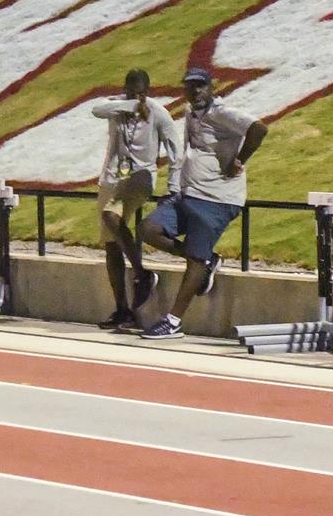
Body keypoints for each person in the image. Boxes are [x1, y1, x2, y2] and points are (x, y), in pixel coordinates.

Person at [139, 69, 267, 340]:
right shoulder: (191, 113)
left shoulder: (222, 113)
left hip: (216, 200)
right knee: (148, 229)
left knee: (196, 259)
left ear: (211, 87)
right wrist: (175, 187)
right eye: (190, 87)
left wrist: (241, 159)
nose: (195, 91)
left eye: (200, 86)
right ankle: (207, 261)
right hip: (188, 195)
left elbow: (258, 128)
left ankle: (173, 321)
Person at [90, 69, 179, 332]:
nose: (135, 97)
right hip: (111, 179)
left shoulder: (158, 114)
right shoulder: (116, 108)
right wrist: (128, 104)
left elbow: (175, 152)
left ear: (148, 91)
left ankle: (142, 273)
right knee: (110, 244)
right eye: (131, 91)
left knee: (111, 216)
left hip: (141, 178)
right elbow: (96, 109)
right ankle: (123, 310)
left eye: (140, 93)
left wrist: (173, 188)